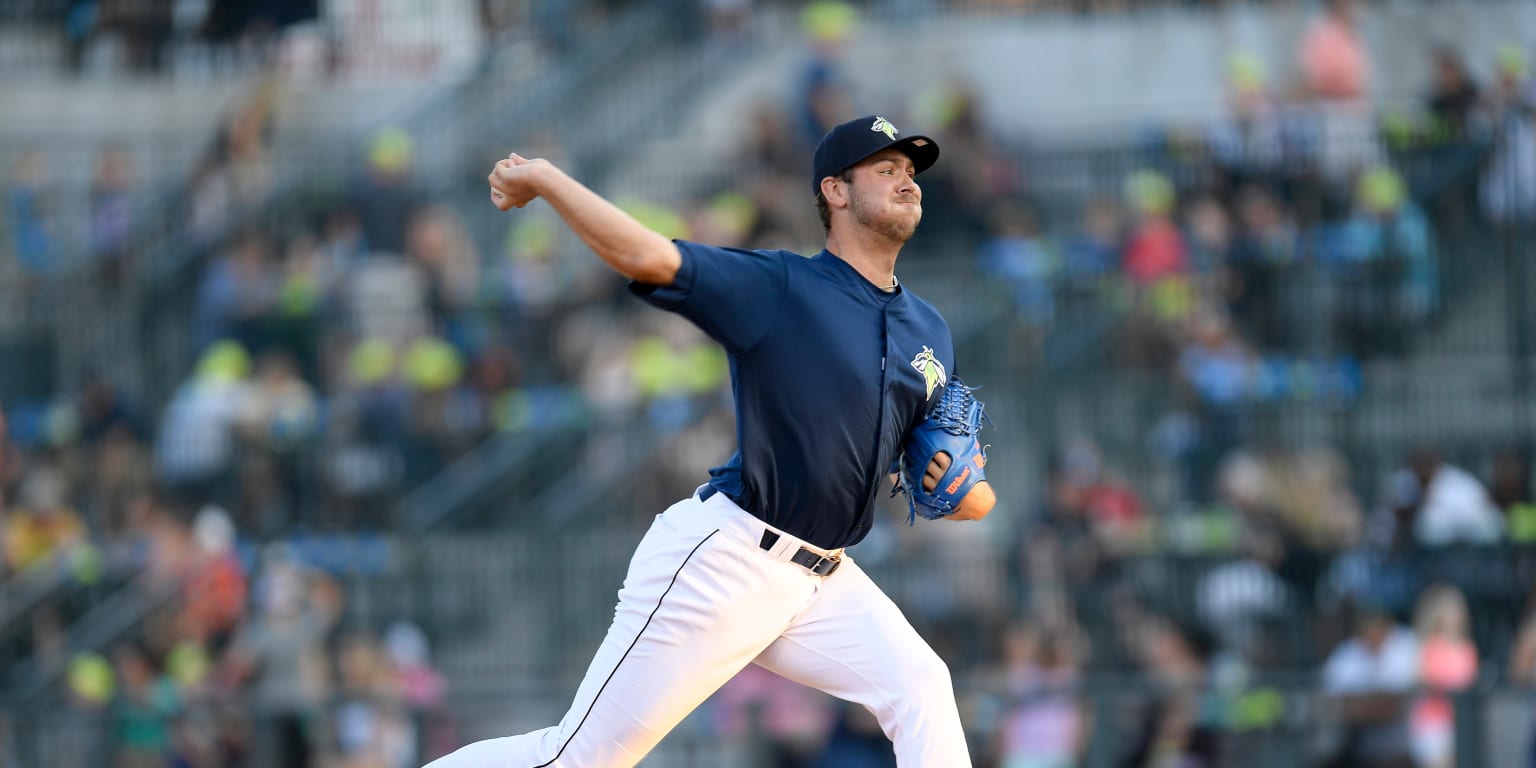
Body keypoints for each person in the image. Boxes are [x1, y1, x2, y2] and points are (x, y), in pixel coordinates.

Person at [427, 114, 998, 766]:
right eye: (887, 169)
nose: (909, 183)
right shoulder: (782, 287)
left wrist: (963, 489)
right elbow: (647, 257)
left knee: (923, 685)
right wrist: (551, 182)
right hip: (726, 562)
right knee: (576, 759)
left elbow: (963, 493)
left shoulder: (930, 328)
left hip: (823, 580)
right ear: (836, 192)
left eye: (911, 173)